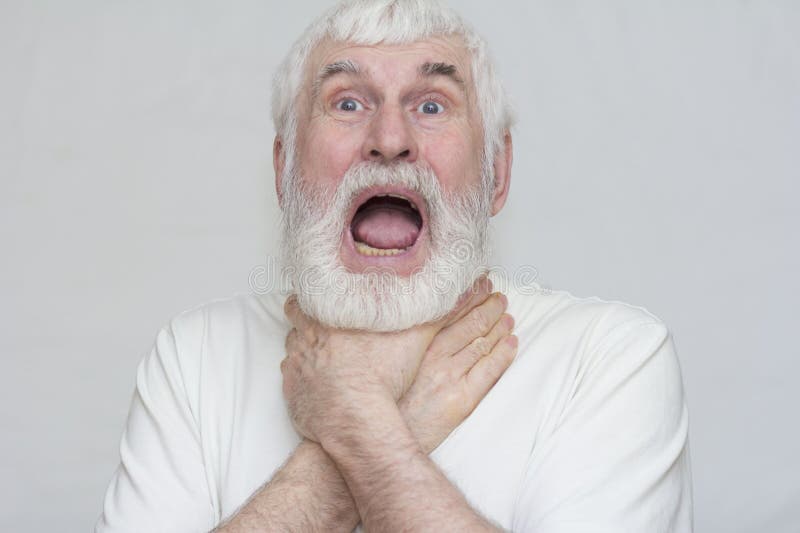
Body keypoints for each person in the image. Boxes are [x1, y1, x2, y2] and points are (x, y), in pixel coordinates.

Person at [96, 1, 693, 531]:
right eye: (347, 102)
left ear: (497, 172)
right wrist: (401, 418)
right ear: (283, 170)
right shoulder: (193, 355)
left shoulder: (611, 357)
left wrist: (356, 418)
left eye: (432, 105)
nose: (388, 138)